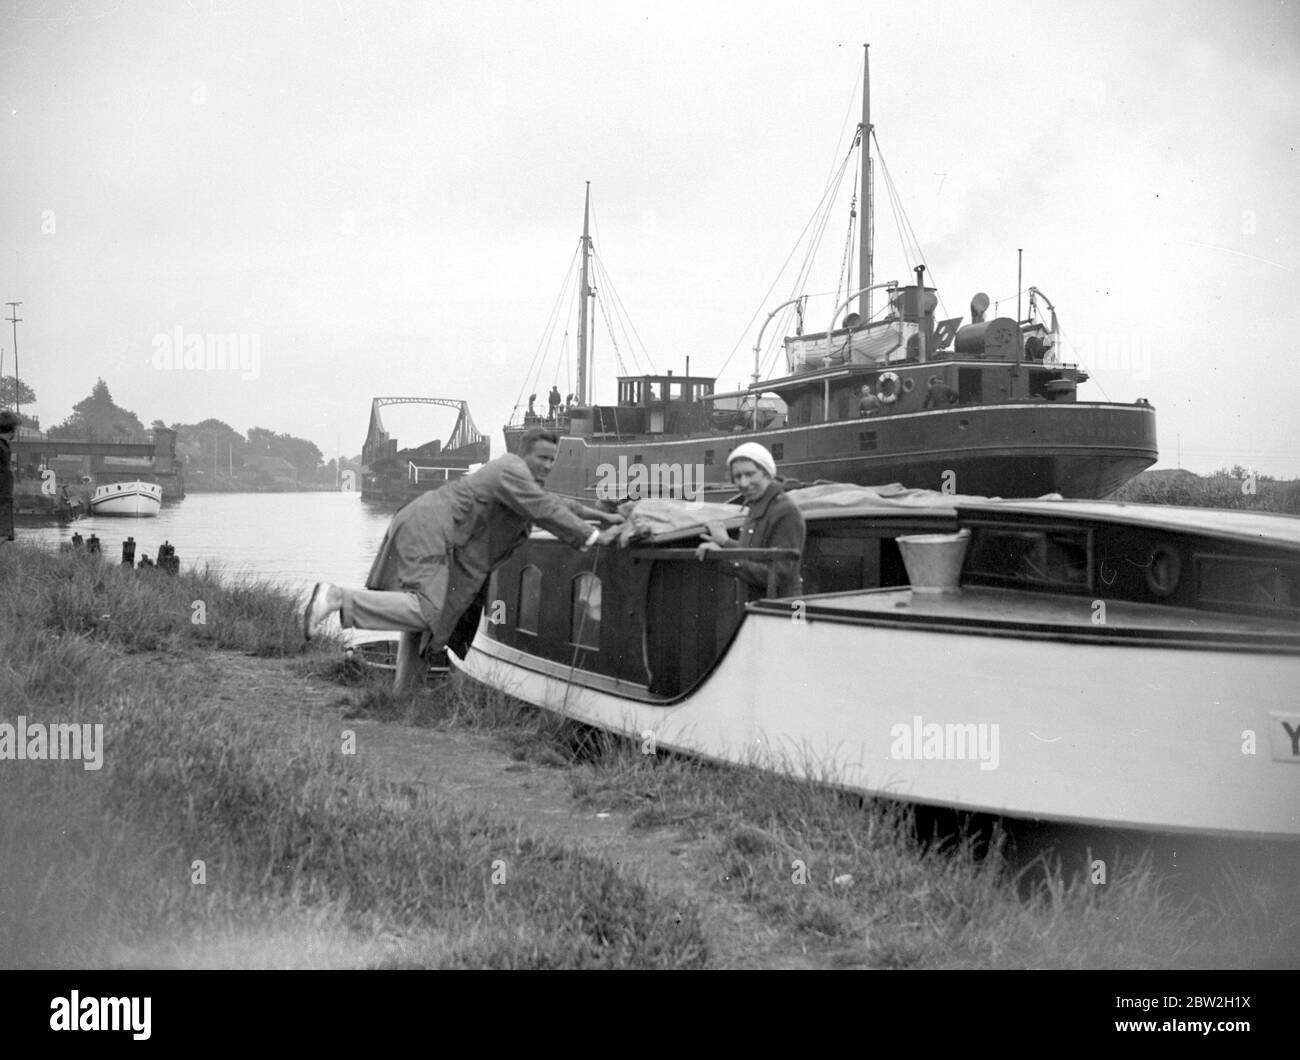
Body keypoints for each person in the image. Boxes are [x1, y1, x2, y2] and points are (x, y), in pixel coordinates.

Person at [303, 428, 623, 685]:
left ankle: (403, 698)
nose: (548, 465)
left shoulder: (515, 478)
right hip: (432, 526)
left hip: (428, 522)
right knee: (426, 612)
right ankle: (337, 598)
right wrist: (594, 536)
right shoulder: (511, 470)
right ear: (522, 454)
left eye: (553, 459)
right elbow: (544, 508)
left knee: (422, 625)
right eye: (542, 457)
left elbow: (554, 502)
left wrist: (601, 515)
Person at [695, 441, 805, 602]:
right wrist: (725, 542)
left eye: (750, 474)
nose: (743, 483)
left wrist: (723, 557)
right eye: (737, 477)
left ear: (767, 473)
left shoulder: (785, 511)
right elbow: (757, 552)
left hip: (781, 612)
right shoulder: (760, 504)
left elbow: (779, 574)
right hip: (764, 609)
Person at [0, 410, 18, 542]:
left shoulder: (4, 445)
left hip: (5, 494)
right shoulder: (1, 446)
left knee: (6, 534)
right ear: (12, 430)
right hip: (2, 495)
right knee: (3, 534)